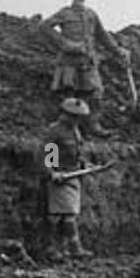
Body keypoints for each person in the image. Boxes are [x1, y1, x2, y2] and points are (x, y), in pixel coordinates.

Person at [43, 0, 129, 137]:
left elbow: (102, 35)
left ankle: (93, 127)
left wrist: (118, 51)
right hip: (69, 62)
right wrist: (66, 44)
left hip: (88, 61)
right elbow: (44, 27)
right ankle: (67, 131)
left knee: (96, 92)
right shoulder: (65, 13)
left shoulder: (91, 14)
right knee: (69, 93)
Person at [41, 97, 92, 260]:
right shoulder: (55, 131)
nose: (77, 120)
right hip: (61, 177)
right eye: (73, 116)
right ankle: (58, 248)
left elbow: (79, 152)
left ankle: (64, 248)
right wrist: (52, 173)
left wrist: (86, 165)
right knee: (60, 214)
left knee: (68, 214)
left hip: (74, 175)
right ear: (65, 114)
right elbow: (48, 154)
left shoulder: (75, 131)